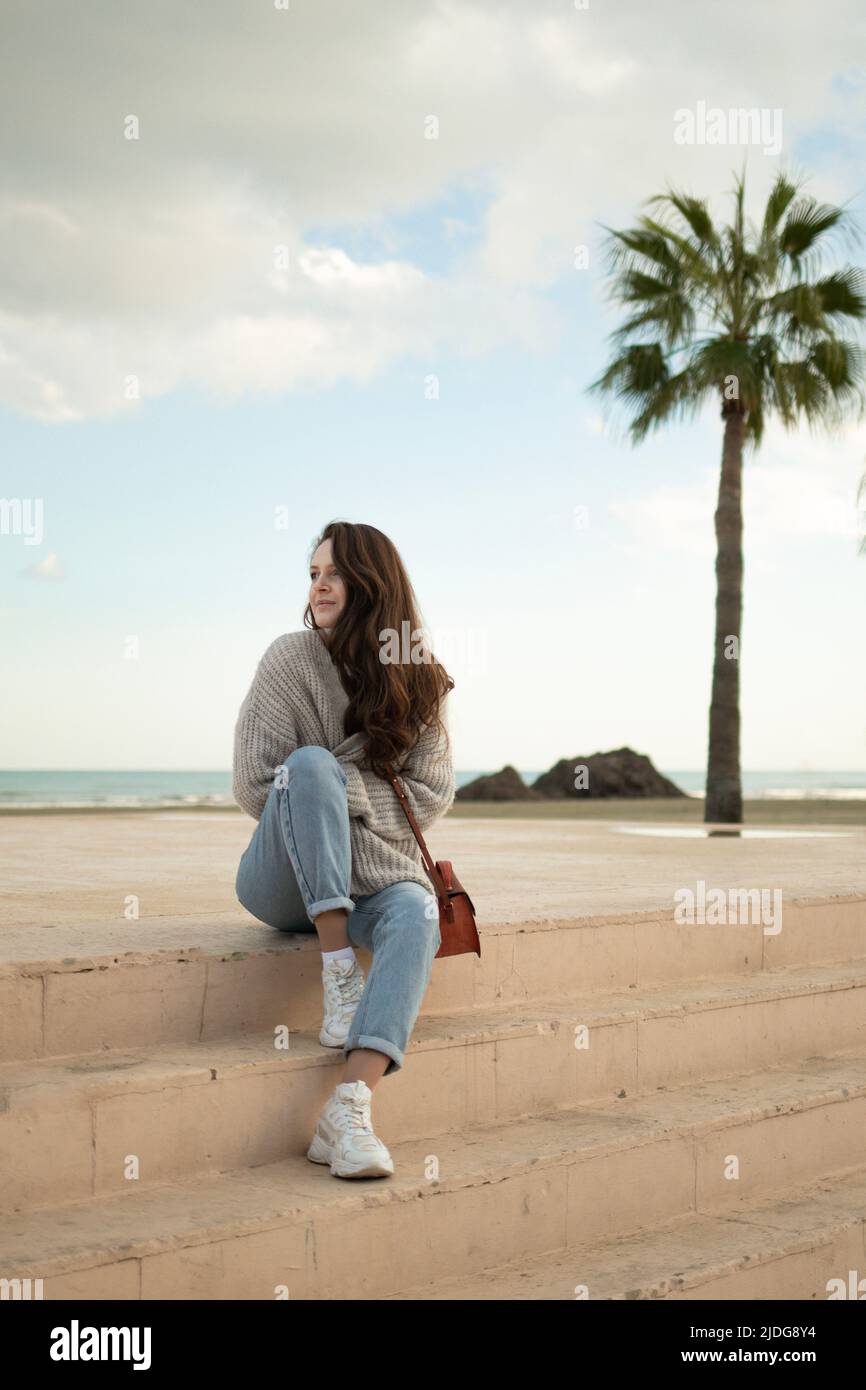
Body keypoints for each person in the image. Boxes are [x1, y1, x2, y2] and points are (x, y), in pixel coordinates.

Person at [232, 520, 456, 1179]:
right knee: (306, 763)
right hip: (279, 880)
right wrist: (317, 782)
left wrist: (336, 791)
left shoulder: (415, 675)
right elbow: (254, 783)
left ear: (373, 584)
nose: (320, 585)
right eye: (313, 573)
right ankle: (338, 975)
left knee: (417, 912)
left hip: (372, 879)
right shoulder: (288, 659)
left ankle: (350, 1108)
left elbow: (431, 795)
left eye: (335, 573)